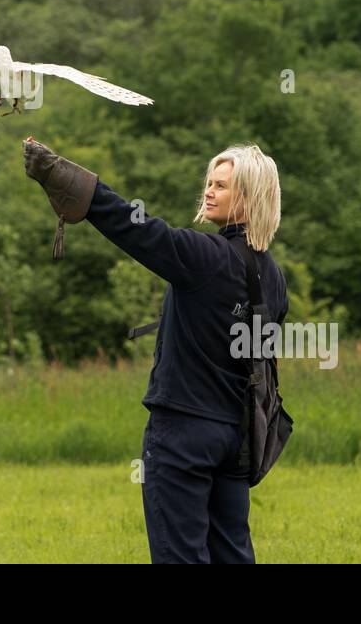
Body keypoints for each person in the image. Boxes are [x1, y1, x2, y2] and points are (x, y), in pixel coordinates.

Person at [23, 137, 288, 564]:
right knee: (233, 556)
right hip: (236, 439)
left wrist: (70, 182)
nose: (209, 191)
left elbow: (137, 227)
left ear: (249, 198)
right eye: (210, 182)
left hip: (183, 434)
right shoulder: (272, 275)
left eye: (222, 186)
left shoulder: (205, 256)